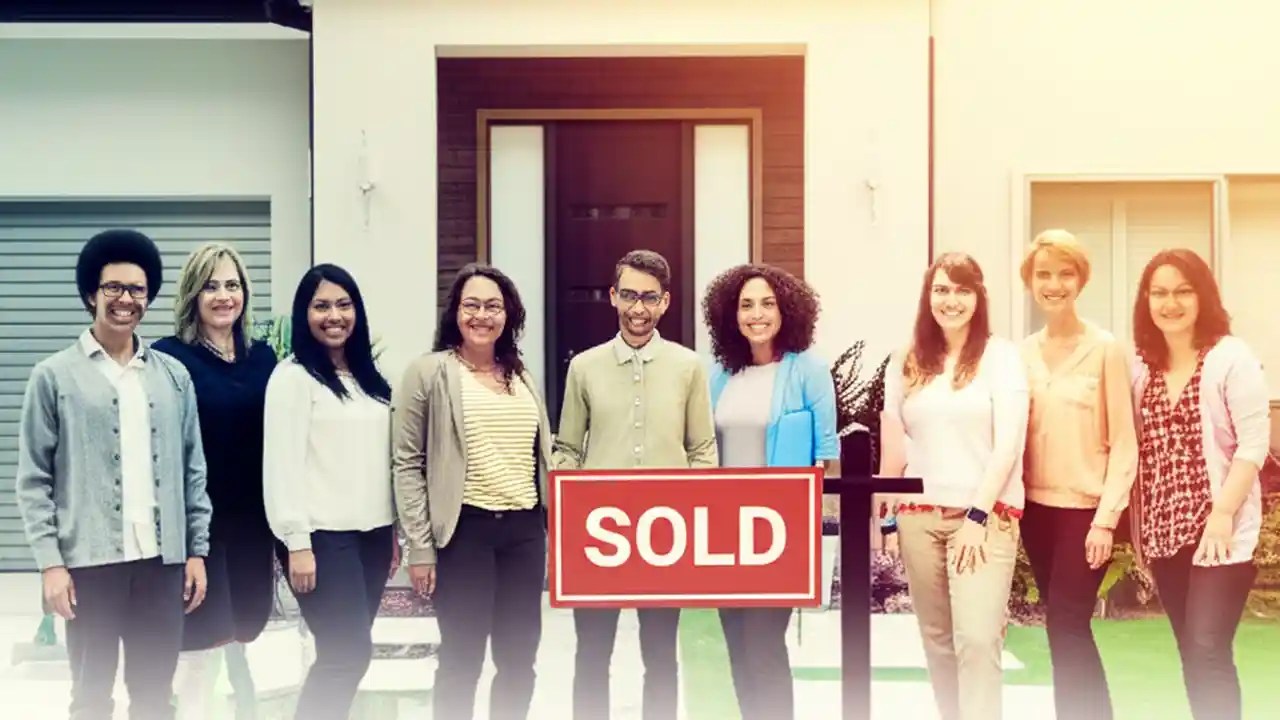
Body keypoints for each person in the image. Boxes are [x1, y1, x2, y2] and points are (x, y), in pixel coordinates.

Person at [15, 229, 212, 720]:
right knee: (90, 698)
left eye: (137, 289)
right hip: (90, 566)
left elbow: (193, 470)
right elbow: (34, 480)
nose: (126, 299)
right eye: (114, 288)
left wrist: (196, 551)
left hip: (161, 564)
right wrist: (51, 564)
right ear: (91, 294)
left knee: (154, 696)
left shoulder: (172, 376)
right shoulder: (53, 376)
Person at [555, 249, 718, 720]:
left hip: (664, 537)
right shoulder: (584, 367)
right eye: (629, 295)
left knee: (661, 658)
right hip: (599, 536)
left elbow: (702, 450)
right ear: (613, 296)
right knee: (591, 655)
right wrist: (573, 510)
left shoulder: (688, 367)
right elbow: (567, 449)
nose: (638, 308)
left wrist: (693, 517)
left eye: (649, 297)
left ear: (665, 302)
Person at [393, 263, 555, 720]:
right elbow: (407, 463)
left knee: (519, 660)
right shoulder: (428, 373)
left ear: (508, 314)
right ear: (455, 312)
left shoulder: (521, 376)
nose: (482, 315)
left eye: (493, 306)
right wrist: (420, 546)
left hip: (524, 532)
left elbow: (539, 455)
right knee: (462, 659)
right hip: (465, 533)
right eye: (472, 305)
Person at [877, 252, 1028, 720]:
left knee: (978, 641)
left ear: (978, 297)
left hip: (984, 518)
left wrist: (977, 517)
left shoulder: (1001, 357)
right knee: (937, 642)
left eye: (963, 290)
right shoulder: (905, 360)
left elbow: (1008, 445)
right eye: (941, 289)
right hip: (919, 518)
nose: (951, 300)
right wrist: (886, 519)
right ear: (928, 296)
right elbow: (894, 447)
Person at [1129, 249, 1269, 720]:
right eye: (1159, 293)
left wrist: (1223, 514)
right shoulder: (1141, 367)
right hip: (1164, 530)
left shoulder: (1230, 358)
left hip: (1218, 531)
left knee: (1208, 647)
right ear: (1146, 300)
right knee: (1191, 650)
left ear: (1203, 296)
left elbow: (1253, 445)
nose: (1170, 303)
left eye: (1183, 291)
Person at [701, 263, 838, 720]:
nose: (756, 314)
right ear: (731, 315)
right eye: (746, 305)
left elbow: (825, 457)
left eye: (767, 304)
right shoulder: (719, 375)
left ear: (786, 311)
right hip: (725, 532)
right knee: (738, 648)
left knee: (762, 646)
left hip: (778, 532)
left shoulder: (809, 371)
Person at [262, 264, 397, 720]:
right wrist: (296, 543)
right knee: (347, 654)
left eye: (343, 304)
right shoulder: (293, 377)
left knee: (347, 654)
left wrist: (392, 532)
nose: (334, 316)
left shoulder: (370, 379)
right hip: (321, 539)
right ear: (304, 313)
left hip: (372, 536)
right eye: (321, 306)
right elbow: (281, 465)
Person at [152, 243, 279, 720]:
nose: (224, 296)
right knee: (198, 650)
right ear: (192, 294)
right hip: (200, 530)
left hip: (253, 527)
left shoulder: (263, 358)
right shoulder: (168, 359)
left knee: (244, 631)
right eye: (210, 286)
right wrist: (185, 542)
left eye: (232, 285)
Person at [1017, 229, 1137, 720]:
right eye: (1043, 274)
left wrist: (1106, 520)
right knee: (1066, 626)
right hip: (1034, 511)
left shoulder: (1105, 349)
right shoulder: (1021, 353)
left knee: (1066, 623)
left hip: (1085, 514)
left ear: (1080, 280)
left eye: (1065, 274)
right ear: (1030, 281)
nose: (1054, 284)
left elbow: (1125, 441)